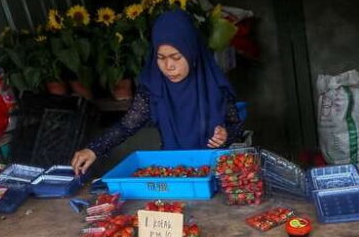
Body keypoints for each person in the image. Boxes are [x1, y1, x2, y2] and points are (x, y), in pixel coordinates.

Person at [71, 10, 244, 175]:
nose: (169, 66)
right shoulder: (154, 87)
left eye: (176, 57)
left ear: (191, 52)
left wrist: (226, 135)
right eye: (161, 58)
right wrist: (94, 149)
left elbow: (236, 125)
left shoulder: (214, 85)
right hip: (172, 171)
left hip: (216, 170)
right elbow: (127, 125)